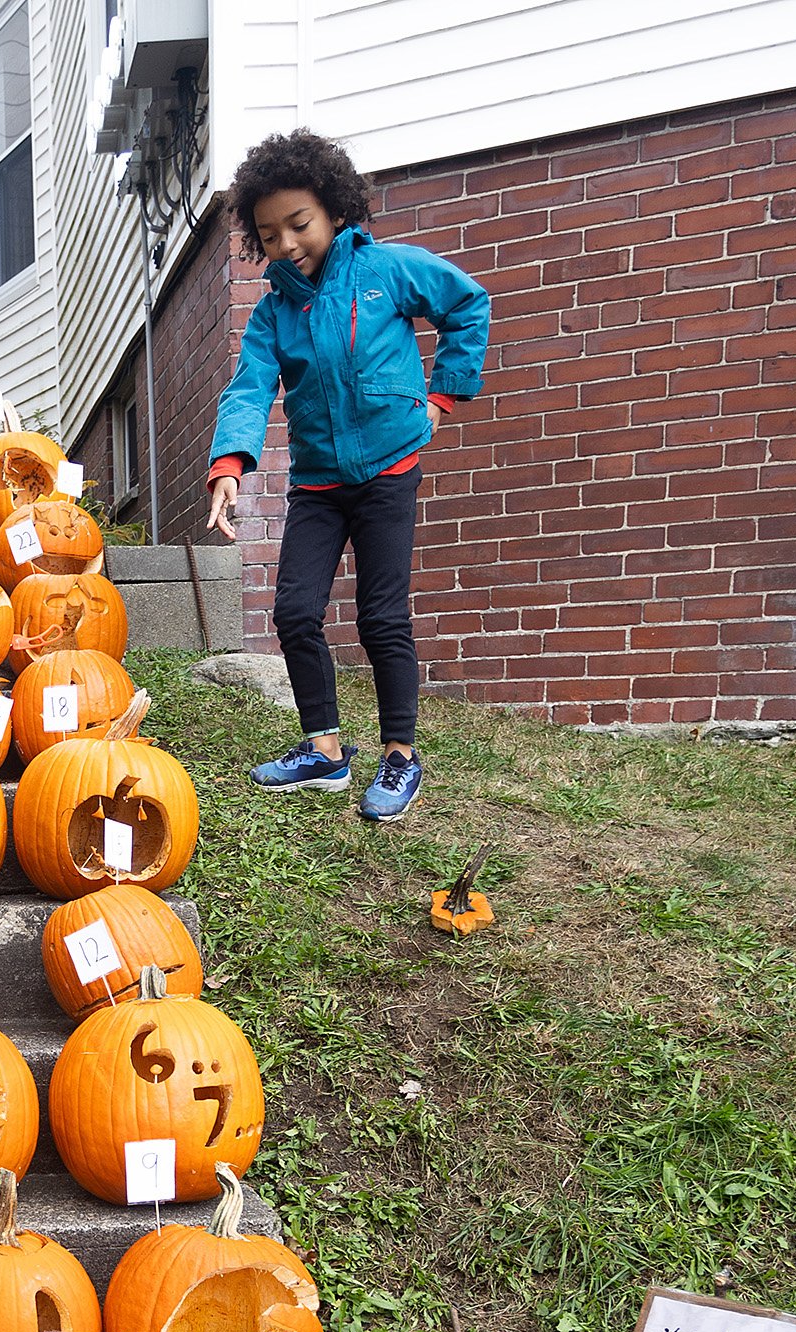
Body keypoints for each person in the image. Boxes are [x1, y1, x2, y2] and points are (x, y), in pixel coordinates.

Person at [205, 131, 489, 823]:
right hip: (320, 484)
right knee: (295, 612)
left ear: (333, 209)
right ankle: (326, 750)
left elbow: (467, 304)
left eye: (298, 224)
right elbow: (249, 388)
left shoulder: (389, 270)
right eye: (269, 234)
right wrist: (230, 465)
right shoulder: (274, 312)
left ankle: (399, 755)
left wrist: (441, 397)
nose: (287, 242)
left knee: (382, 616)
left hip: (390, 470)